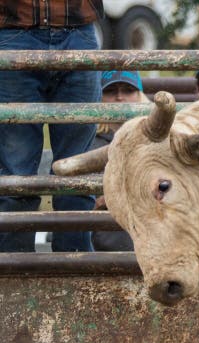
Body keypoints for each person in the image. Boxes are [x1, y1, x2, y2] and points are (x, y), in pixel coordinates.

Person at [0, 0, 103, 252]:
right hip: (14, 28)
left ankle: (76, 275)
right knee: (17, 175)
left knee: (78, 172)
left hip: (77, 27)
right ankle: (14, 276)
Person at [90, 70, 146, 251]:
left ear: (140, 97)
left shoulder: (159, 140)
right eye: (110, 91)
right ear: (99, 97)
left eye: (128, 90)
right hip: (102, 245)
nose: (120, 97)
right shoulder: (87, 143)